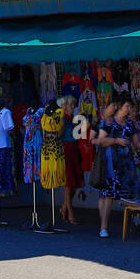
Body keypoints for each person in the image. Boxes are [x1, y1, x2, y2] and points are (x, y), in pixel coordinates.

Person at [96, 98, 140, 237]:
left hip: (126, 164)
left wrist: (139, 146)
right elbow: (101, 141)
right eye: (127, 106)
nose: (129, 109)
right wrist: (116, 141)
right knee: (108, 196)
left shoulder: (129, 124)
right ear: (120, 107)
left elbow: (135, 141)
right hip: (111, 164)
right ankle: (103, 227)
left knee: (133, 193)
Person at [59, 95, 82, 224]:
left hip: (74, 150)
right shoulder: (63, 120)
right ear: (64, 106)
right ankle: (70, 214)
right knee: (69, 184)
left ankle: (64, 208)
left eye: (74, 104)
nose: (73, 107)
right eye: (71, 105)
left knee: (74, 184)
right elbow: (58, 136)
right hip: (66, 150)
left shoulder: (73, 119)